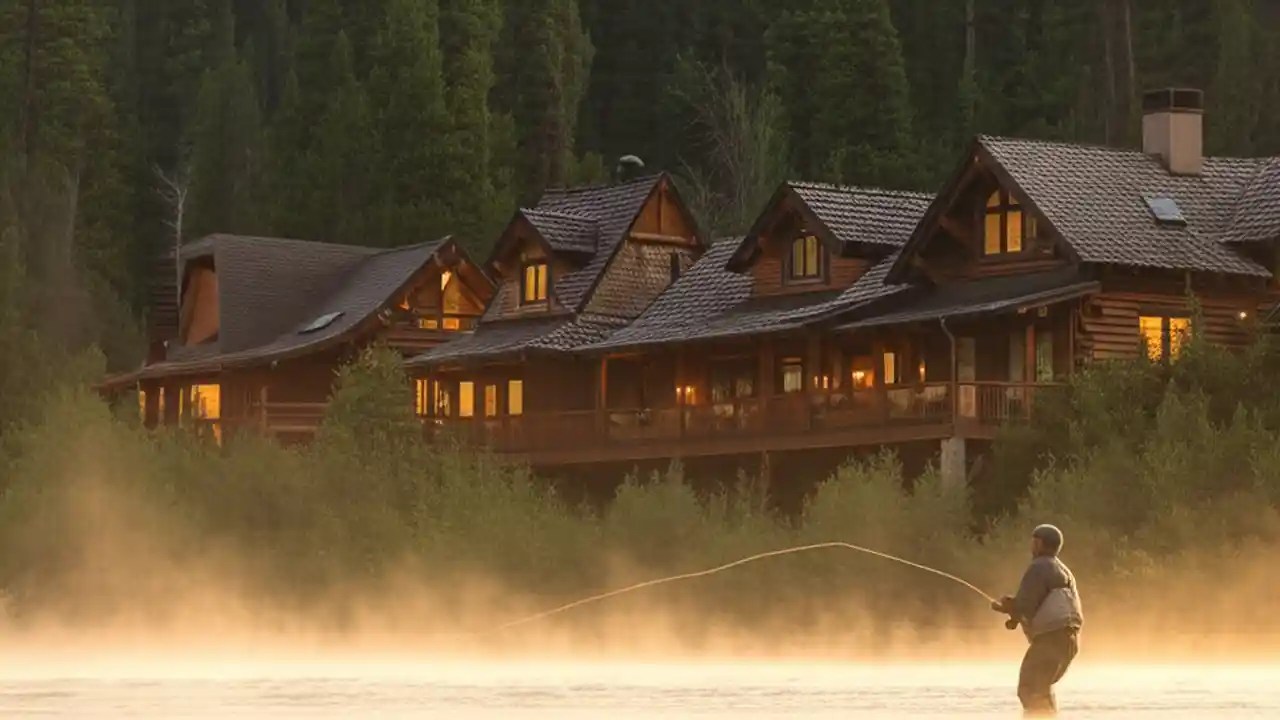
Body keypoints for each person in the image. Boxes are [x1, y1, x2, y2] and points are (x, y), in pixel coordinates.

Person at [992, 524, 1084, 717]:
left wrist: (1006, 606)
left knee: (1029, 688)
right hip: (1070, 640)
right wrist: (1014, 613)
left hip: (1051, 640)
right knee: (1041, 689)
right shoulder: (1062, 569)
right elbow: (1035, 603)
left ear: (1040, 543)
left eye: (1034, 541)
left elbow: (1025, 604)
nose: (1031, 545)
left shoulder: (1040, 566)